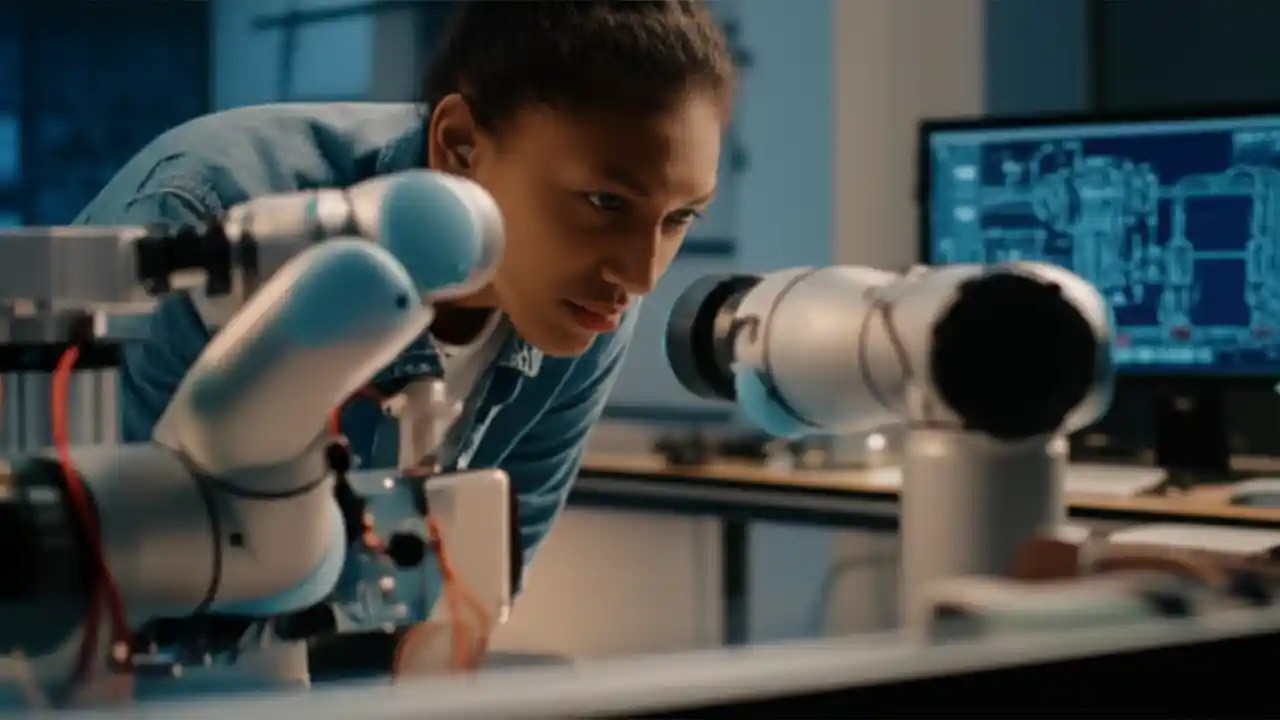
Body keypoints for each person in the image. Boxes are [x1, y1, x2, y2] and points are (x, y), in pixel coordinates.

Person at [75, 1, 736, 579]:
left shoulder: (591, 308)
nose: (642, 273)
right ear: (459, 145)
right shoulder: (209, 216)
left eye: (680, 217)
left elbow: (471, 598)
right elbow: (94, 576)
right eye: (603, 201)